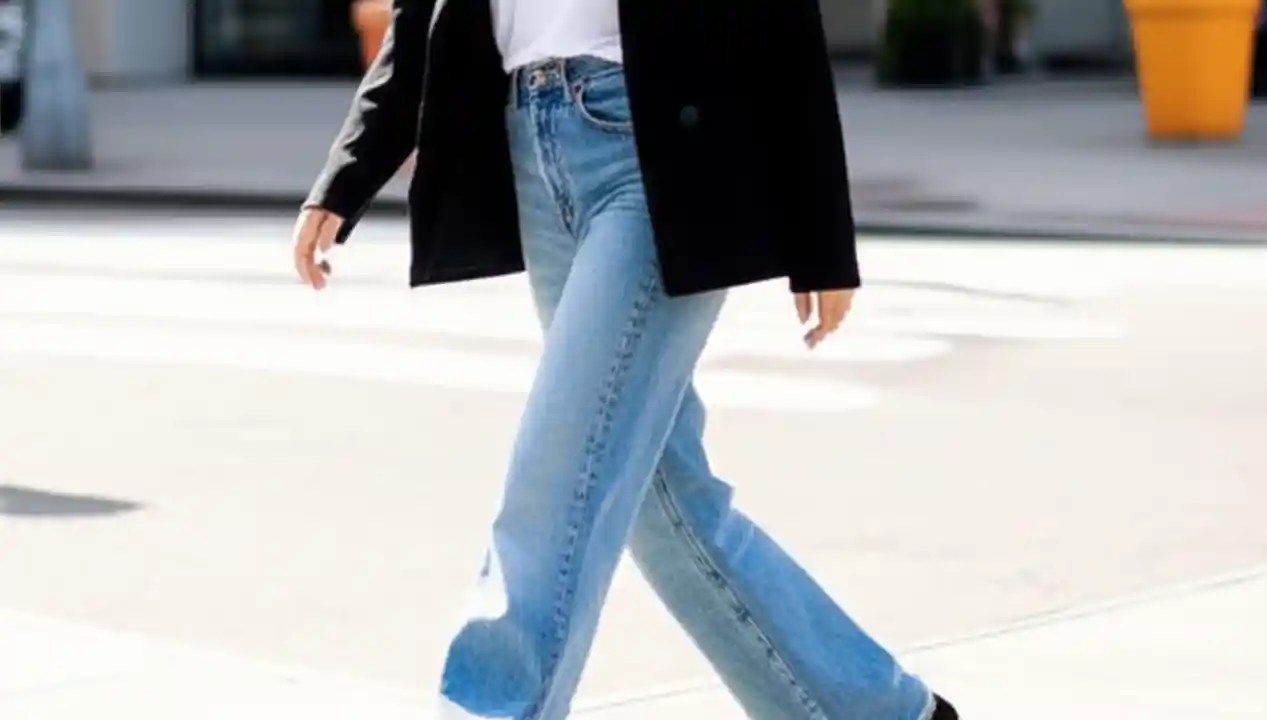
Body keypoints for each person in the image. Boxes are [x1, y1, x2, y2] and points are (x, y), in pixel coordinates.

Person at [293, 0, 959, 718]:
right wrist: (351, 166)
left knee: (558, 476)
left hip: (654, 149)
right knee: (661, 502)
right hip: (530, 143)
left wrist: (822, 233)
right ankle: (881, 711)